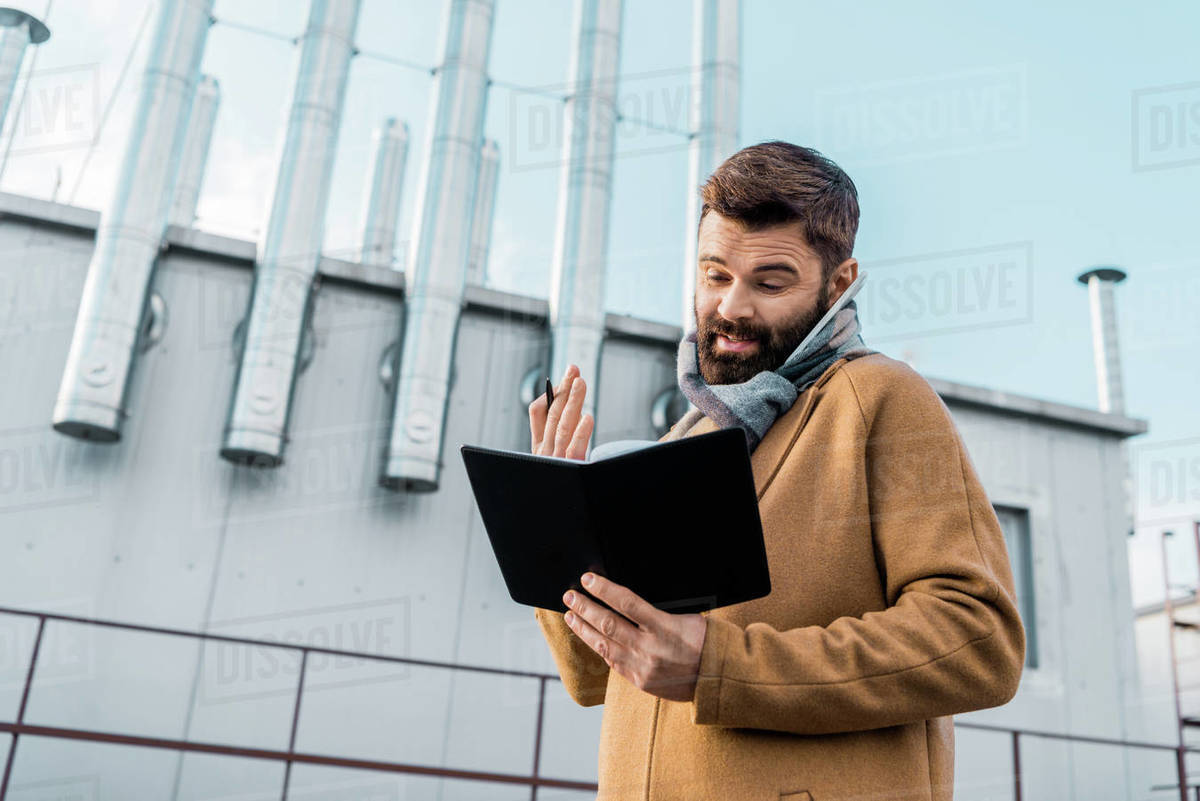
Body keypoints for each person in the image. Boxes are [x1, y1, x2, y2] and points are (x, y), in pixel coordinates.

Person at [528, 141, 1025, 801]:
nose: (732, 306)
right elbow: (595, 677)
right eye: (714, 275)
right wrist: (557, 533)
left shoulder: (882, 399)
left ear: (839, 283)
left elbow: (979, 639)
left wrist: (721, 667)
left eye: (769, 282)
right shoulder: (691, 435)